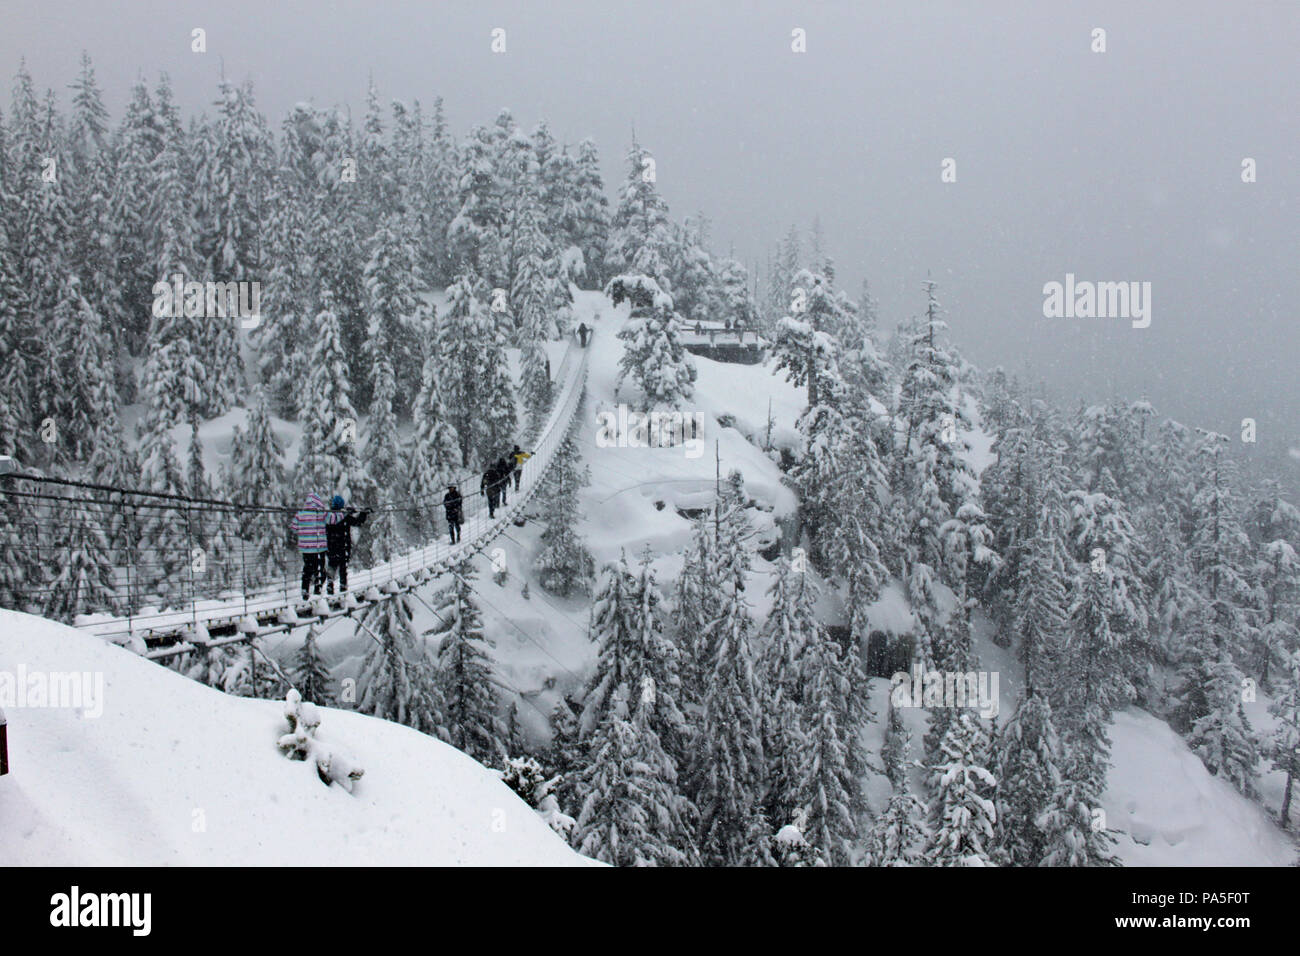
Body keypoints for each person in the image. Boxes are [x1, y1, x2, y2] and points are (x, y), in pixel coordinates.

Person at [290, 492, 340, 602]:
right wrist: (342, 513)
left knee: (307, 569)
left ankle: (305, 590)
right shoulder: (321, 513)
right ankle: (317, 591)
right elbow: (333, 520)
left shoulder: (300, 513)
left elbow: (293, 527)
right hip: (318, 548)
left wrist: (305, 531)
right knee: (320, 569)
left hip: (306, 548)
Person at [325, 495, 369, 594]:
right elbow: (358, 522)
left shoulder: (329, 517)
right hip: (343, 547)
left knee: (332, 566)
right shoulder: (344, 517)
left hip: (331, 547)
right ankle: (343, 588)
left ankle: (330, 585)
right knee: (343, 569)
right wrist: (364, 513)